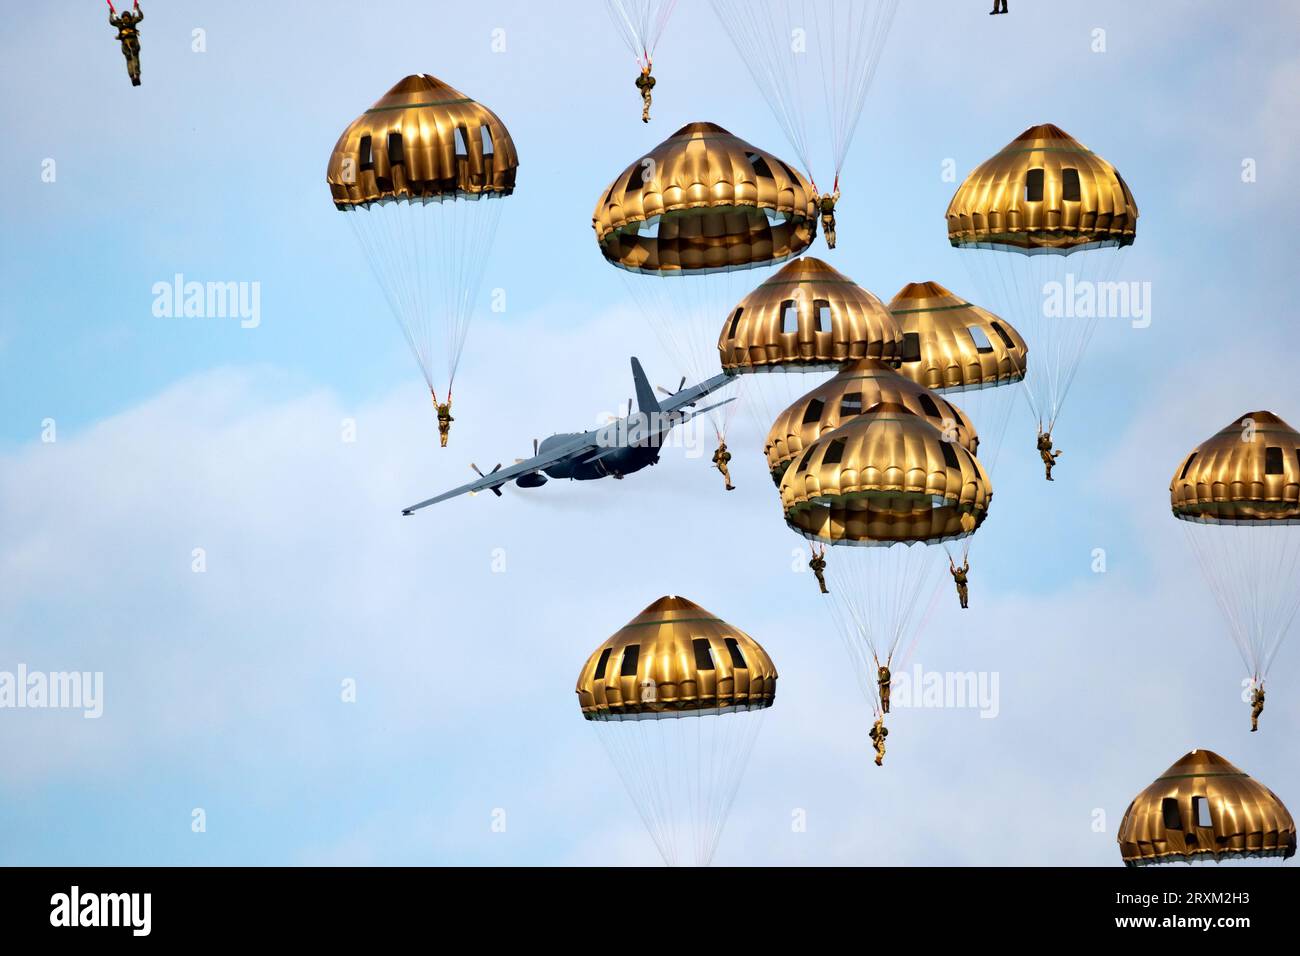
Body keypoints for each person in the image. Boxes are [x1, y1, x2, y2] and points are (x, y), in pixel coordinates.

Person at [107, 0, 144, 87]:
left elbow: (112, 21)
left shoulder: (126, 22)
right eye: (124, 17)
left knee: (133, 57)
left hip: (132, 40)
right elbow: (112, 21)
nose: (125, 19)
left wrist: (111, 14)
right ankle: (134, 76)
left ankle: (135, 75)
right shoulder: (122, 22)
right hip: (126, 42)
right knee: (130, 58)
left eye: (126, 17)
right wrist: (111, 13)